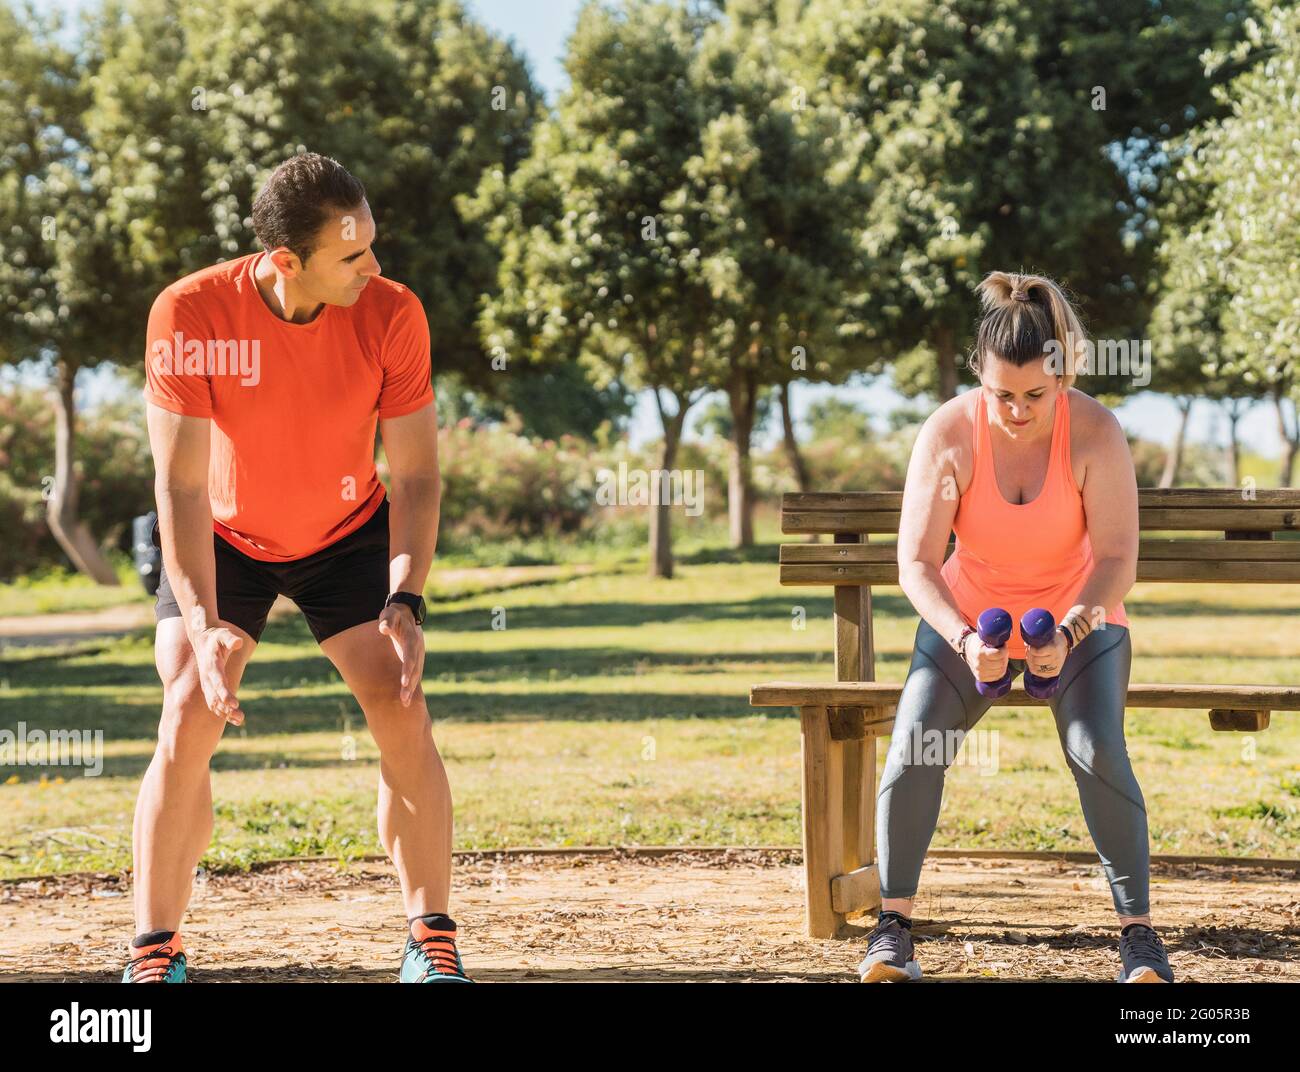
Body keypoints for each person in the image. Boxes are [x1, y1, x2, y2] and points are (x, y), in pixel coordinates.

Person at [123, 152, 466, 983]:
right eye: (352, 255)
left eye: (373, 244)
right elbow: (179, 482)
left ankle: (431, 941)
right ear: (286, 261)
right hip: (225, 535)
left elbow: (416, 475)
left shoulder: (391, 313)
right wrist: (202, 624)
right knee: (188, 710)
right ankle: (153, 951)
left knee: (400, 701)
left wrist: (406, 594)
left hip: (346, 533)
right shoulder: (191, 313)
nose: (374, 266)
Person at [857, 271, 1172, 984]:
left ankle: (1140, 939)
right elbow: (915, 562)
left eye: (1036, 395)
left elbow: (1118, 559)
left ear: (1062, 376)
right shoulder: (948, 433)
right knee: (914, 746)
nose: (1019, 411)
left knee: (1095, 750)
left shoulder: (1095, 431)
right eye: (1002, 395)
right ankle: (892, 930)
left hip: (1079, 622)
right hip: (971, 622)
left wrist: (1065, 631)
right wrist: (967, 640)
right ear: (978, 374)